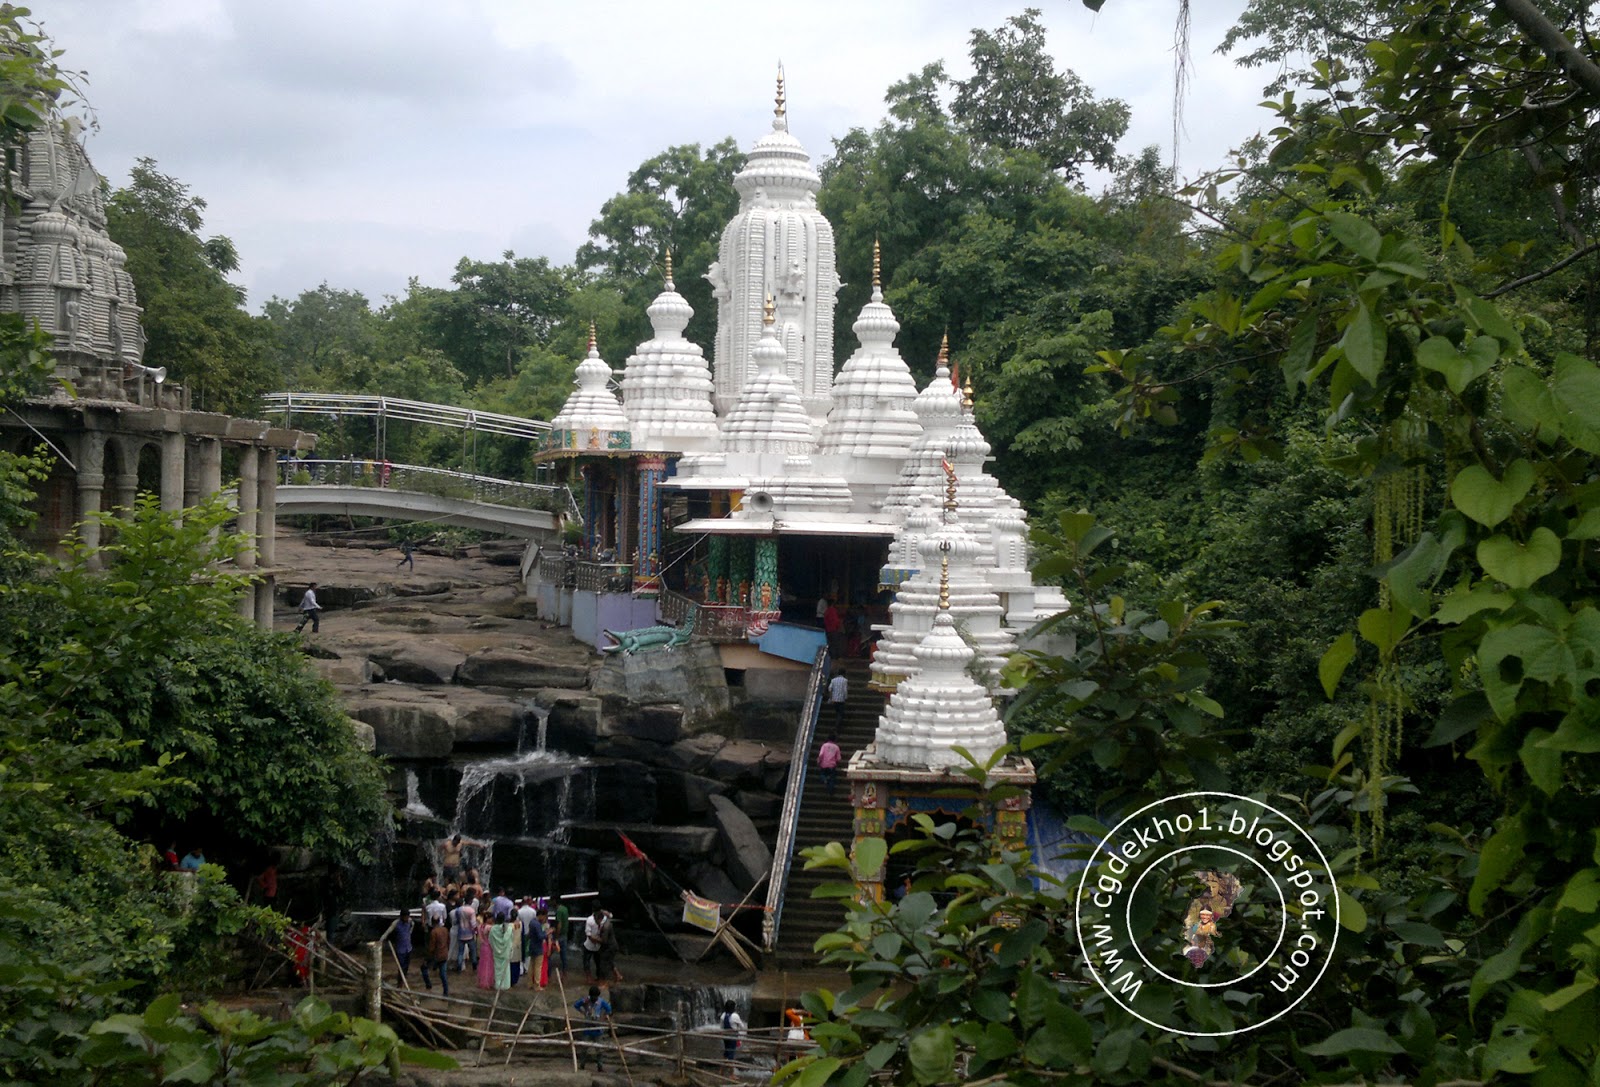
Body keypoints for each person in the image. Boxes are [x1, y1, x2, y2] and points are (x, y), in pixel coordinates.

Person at [574, 985, 612, 1071]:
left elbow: (609, 1009)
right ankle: (582, 1064)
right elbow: (576, 1005)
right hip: (587, 1028)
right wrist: (583, 1012)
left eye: (595, 997)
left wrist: (604, 1016)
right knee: (584, 1047)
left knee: (599, 1049)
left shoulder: (601, 1002)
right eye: (593, 997)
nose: (594, 998)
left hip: (597, 1028)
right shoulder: (586, 1000)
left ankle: (600, 1066)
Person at [421, 916, 450, 995]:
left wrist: (427, 957)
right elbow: (448, 942)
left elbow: (432, 947)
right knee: (443, 974)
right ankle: (446, 992)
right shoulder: (445, 929)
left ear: (432, 922)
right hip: (444, 954)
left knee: (424, 968)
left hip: (436, 956)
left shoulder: (434, 932)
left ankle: (428, 985)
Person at [488, 911, 516, 990]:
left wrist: (495, 948)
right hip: (506, 952)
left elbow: (490, 940)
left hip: (496, 953)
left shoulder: (493, 929)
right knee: (505, 970)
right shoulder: (509, 929)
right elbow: (511, 940)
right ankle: (505, 985)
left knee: (497, 969)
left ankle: (498, 984)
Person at [596, 908, 622, 984]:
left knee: (603, 963)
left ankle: (604, 981)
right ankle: (618, 976)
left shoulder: (606, 926)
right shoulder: (606, 921)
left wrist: (594, 938)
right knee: (610, 962)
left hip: (610, 947)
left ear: (599, 919)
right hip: (612, 945)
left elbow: (604, 940)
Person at [391, 908, 415, 985]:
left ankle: (403, 978)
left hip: (408, 948)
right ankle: (400, 982)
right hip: (400, 949)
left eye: (407, 917)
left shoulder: (410, 922)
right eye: (405, 917)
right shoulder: (396, 923)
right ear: (401, 916)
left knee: (406, 966)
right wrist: (381, 940)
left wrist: (409, 934)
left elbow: (411, 928)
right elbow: (388, 932)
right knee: (401, 966)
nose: (406, 918)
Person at [453, 896, 478, 972]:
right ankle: (474, 966)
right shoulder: (471, 911)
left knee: (460, 951)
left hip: (461, 933)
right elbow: (473, 923)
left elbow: (456, 921)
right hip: (469, 933)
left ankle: (459, 967)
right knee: (473, 950)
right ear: (470, 902)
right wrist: (476, 931)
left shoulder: (458, 910)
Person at [583, 907, 606, 980]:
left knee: (598, 963)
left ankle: (599, 977)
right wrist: (600, 940)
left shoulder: (604, 920)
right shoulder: (590, 920)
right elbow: (589, 935)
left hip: (597, 945)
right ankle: (588, 977)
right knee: (586, 962)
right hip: (589, 945)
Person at [720, 999, 746, 1064]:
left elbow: (721, 1027)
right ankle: (732, 1073)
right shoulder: (735, 1016)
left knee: (726, 1052)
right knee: (731, 1054)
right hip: (733, 1037)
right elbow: (742, 1027)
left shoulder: (723, 1015)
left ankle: (721, 1070)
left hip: (725, 1036)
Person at [553, 894, 570, 974]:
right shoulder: (565, 909)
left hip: (559, 935)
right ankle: (565, 971)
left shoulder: (559, 911)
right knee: (564, 955)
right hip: (565, 934)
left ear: (555, 901)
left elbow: (559, 924)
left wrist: (556, 937)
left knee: (549, 952)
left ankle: (547, 972)